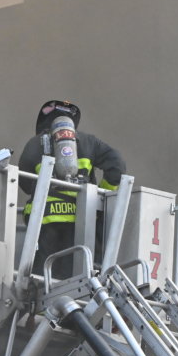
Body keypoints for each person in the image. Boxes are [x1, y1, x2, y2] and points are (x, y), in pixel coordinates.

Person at [17, 98, 125, 275]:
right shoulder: (90, 142)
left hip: (45, 222)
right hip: (82, 222)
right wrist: (100, 199)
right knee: (79, 273)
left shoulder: (35, 143)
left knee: (42, 278)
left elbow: (25, 184)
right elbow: (117, 165)